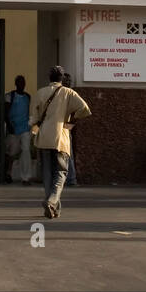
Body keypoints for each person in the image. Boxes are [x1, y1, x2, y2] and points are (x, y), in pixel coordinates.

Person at [30, 65, 91, 218]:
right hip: (60, 138)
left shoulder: (40, 93)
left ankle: (53, 205)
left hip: (43, 137)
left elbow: (34, 118)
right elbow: (84, 109)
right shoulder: (68, 92)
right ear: (62, 78)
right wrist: (71, 122)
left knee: (47, 173)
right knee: (61, 172)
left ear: (49, 78)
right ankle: (51, 201)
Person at [1, 75, 34, 185]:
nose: (22, 85)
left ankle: (26, 177)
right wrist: (9, 125)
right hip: (13, 128)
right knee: (11, 152)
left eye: (23, 83)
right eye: (19, 82)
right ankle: (7, 173)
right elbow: (5, 112)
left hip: (25, 128)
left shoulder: (28, 97)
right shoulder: (10, 96)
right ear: (16, 84)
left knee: (25, 151)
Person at [60, 72, 80, 187]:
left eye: (68, 82)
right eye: (65, 81)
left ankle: (71, 179)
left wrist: (71, 124)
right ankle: (67, 179)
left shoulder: (71, 95)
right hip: (60, 127)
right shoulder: (61, 95)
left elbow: (77, 111)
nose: (67, 83)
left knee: (68, 154)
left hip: (65, 128)